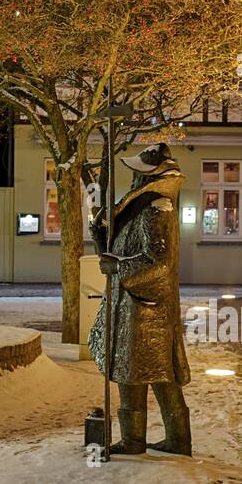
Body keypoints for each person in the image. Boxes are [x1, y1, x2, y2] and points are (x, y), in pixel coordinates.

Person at [88, 142, 192, 455]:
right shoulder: (146, 205)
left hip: (142, 307)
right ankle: (176, 439)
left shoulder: (155, 208)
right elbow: (122, 248)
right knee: (160, 373)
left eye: (138, 173)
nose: (133, 179)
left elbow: (156, 261)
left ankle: (136, 440)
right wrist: (101, 234)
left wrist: (117, 266)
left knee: (134, 372)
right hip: (140, 304)